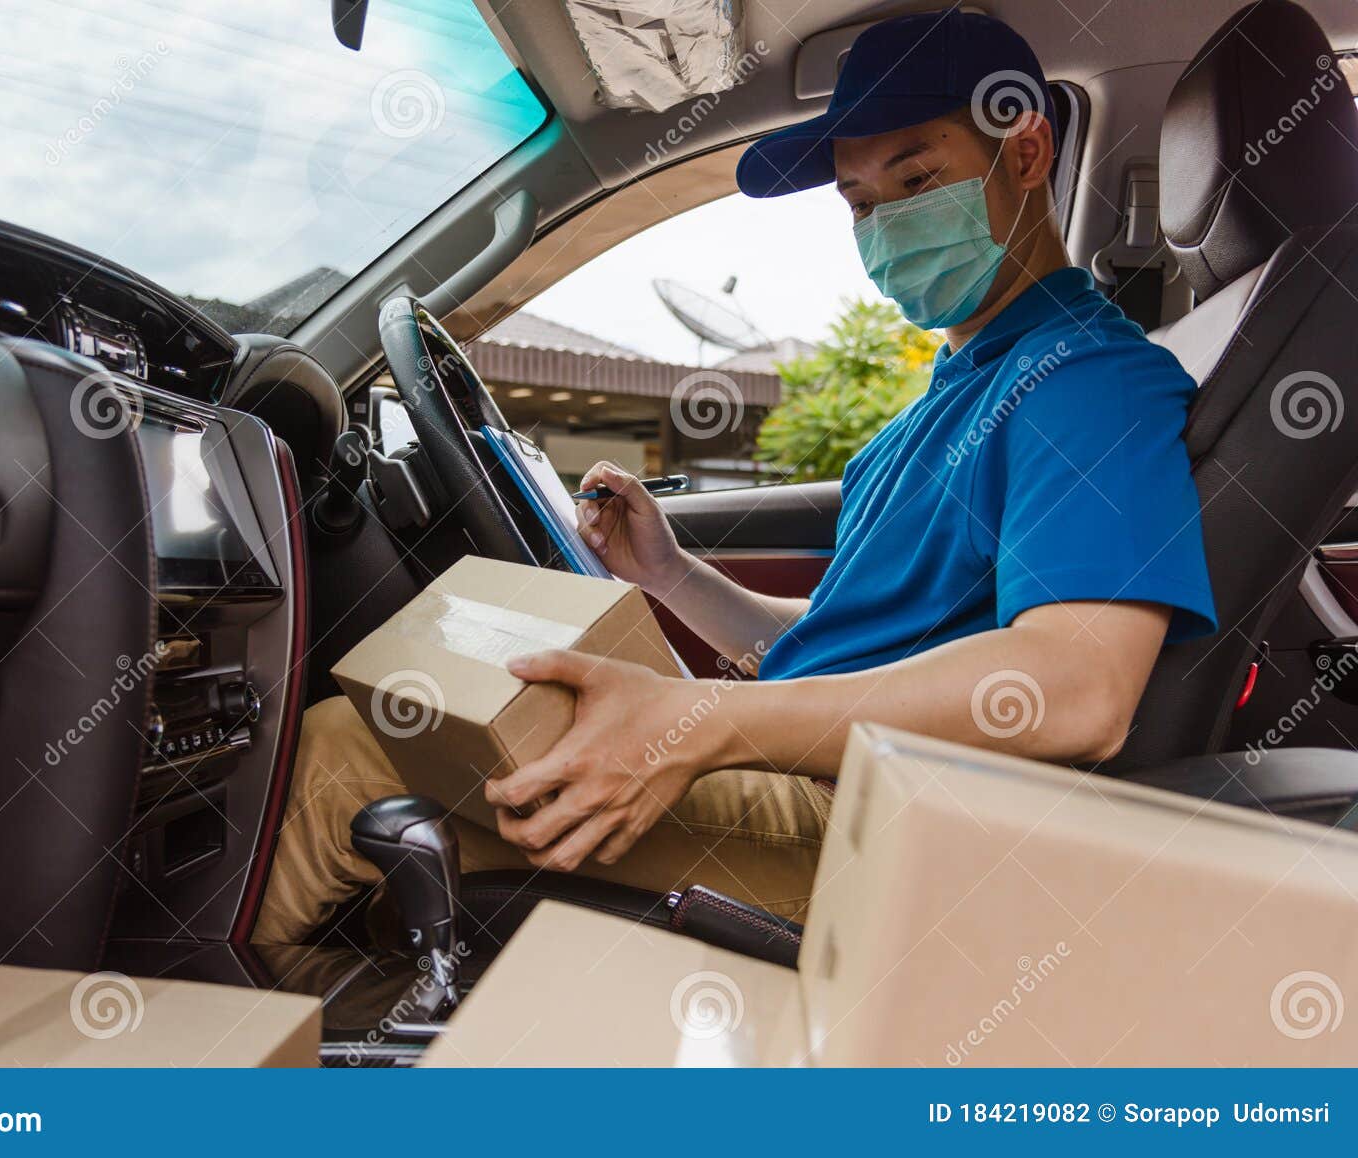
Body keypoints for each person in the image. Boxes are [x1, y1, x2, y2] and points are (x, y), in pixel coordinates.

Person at [253, 8, 1215, 945]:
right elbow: (857, 646)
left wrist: (706, 723)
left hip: (873, 827)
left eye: (917, 176)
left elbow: (1079, 688)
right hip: (819, 779)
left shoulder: (1088, 381)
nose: (886, 225)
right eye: (862, 203)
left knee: (354, 749)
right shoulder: (961, 388)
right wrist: (673, 577)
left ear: (1027, 152)